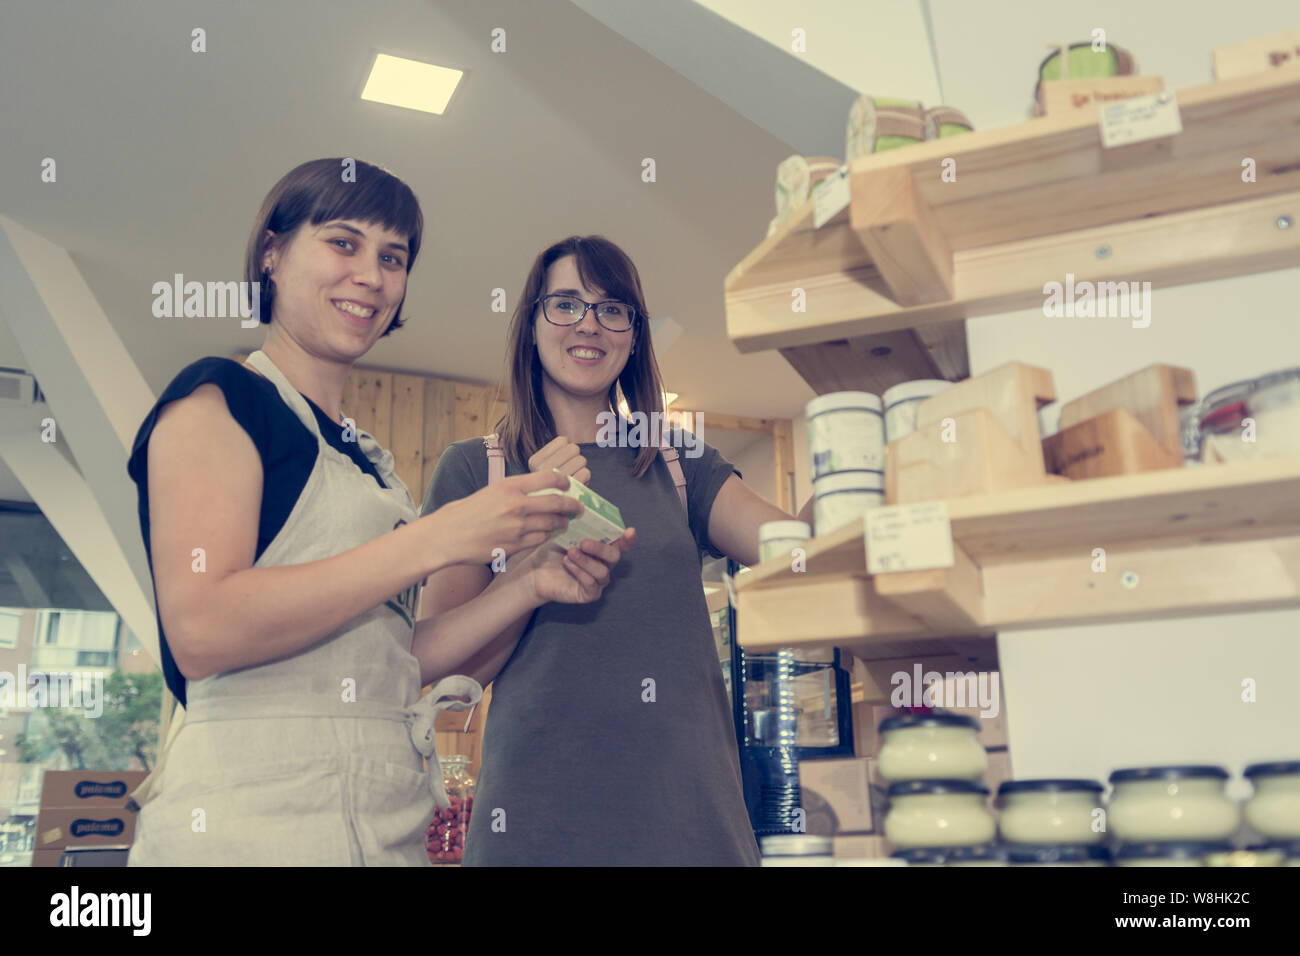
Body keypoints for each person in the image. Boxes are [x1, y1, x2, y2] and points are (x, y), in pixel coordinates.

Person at [125, 159, 628, 865]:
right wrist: (438, 537)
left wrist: (529, 581)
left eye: (392, 258)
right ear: (271, 254)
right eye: (343, 243)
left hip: (383, 829)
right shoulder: (217, 401)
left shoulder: (367, 464)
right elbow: (202, 630)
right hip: (250, 825)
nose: (372, 275)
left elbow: (395, 662)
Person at [422, 235, 808, 866]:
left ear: (633, 333)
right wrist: (530, 557)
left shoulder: (679, 462)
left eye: (612, 308)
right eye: (566, 304)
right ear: (531, 324)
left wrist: (851, 499)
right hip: (536, 821)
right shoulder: (479, 470)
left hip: (690, 817)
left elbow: (791, 550)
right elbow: (444, 667)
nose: (590, 325)